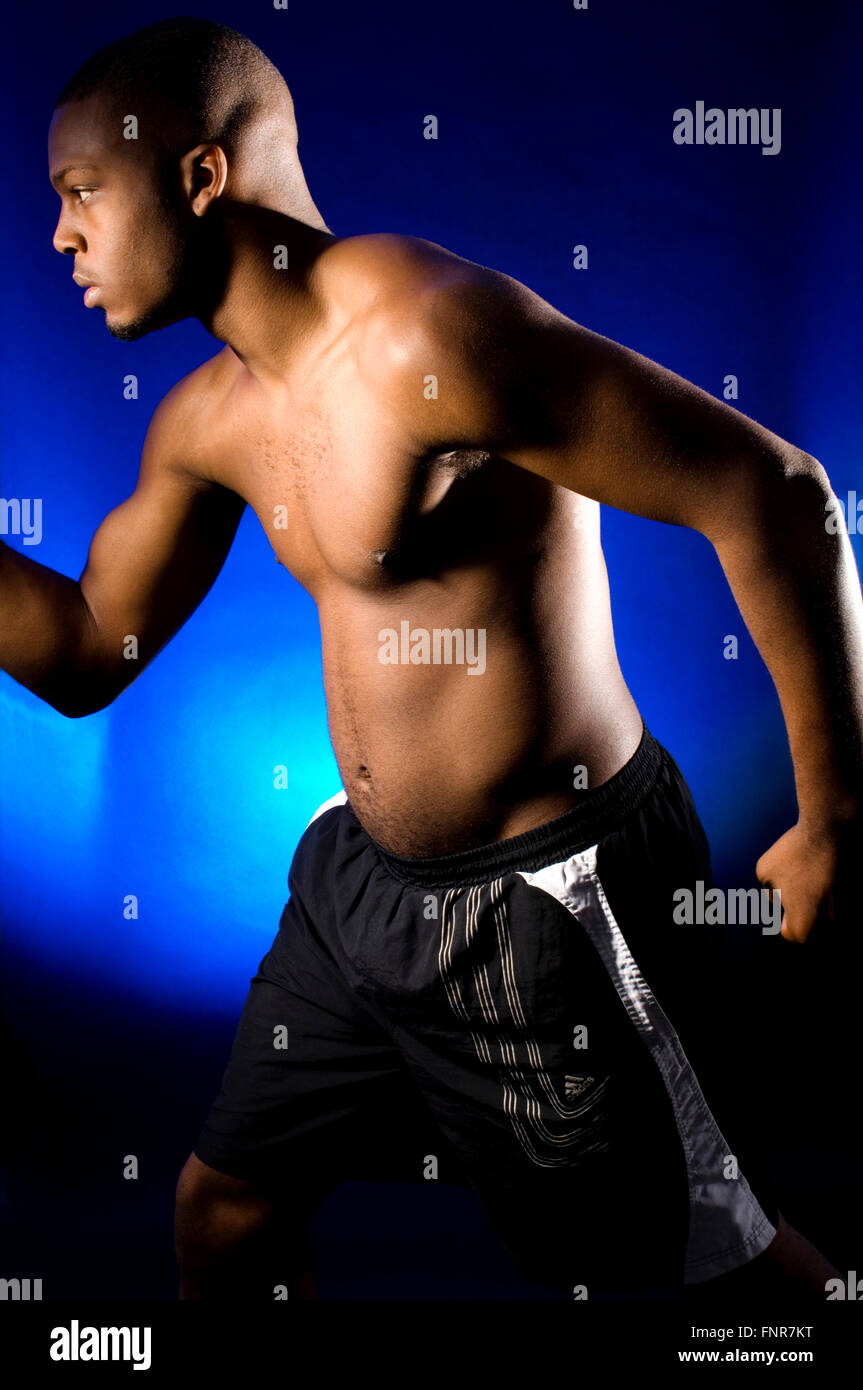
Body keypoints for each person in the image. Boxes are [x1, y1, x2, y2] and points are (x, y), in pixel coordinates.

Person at [4, 16, 858, 1299]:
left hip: (552, 903)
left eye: (81, 193)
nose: (60, 234)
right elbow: (82, 651)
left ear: (196, 176)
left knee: (687, 1271)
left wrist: (834, 809)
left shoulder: (421, 336)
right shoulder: (208, 422)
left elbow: (772, 490)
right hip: (360, 887)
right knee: (222, 1216)